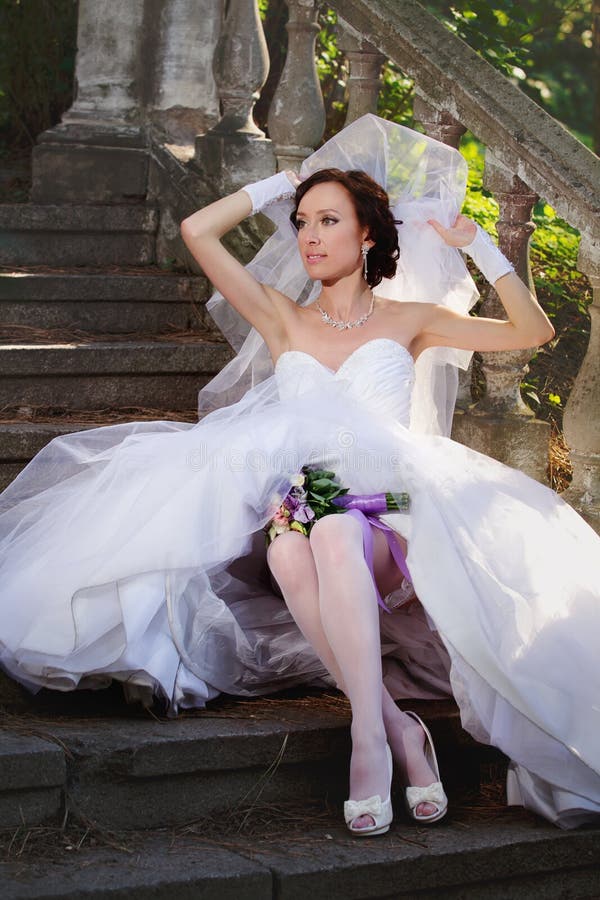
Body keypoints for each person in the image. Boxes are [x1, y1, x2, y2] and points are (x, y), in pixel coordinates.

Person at [0, 116, 599, 835]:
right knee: (293, 543)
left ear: (368, 235)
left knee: (335, 525)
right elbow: (197, 232)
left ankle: (373, 740)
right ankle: (388, 729)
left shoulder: (411, 318)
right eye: (303, 221)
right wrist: (284, 179)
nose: (309, 235)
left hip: (396, 502)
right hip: (311, 506)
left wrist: (484, 254)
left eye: (329, 220)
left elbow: (532, 334)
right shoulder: (282, 316)